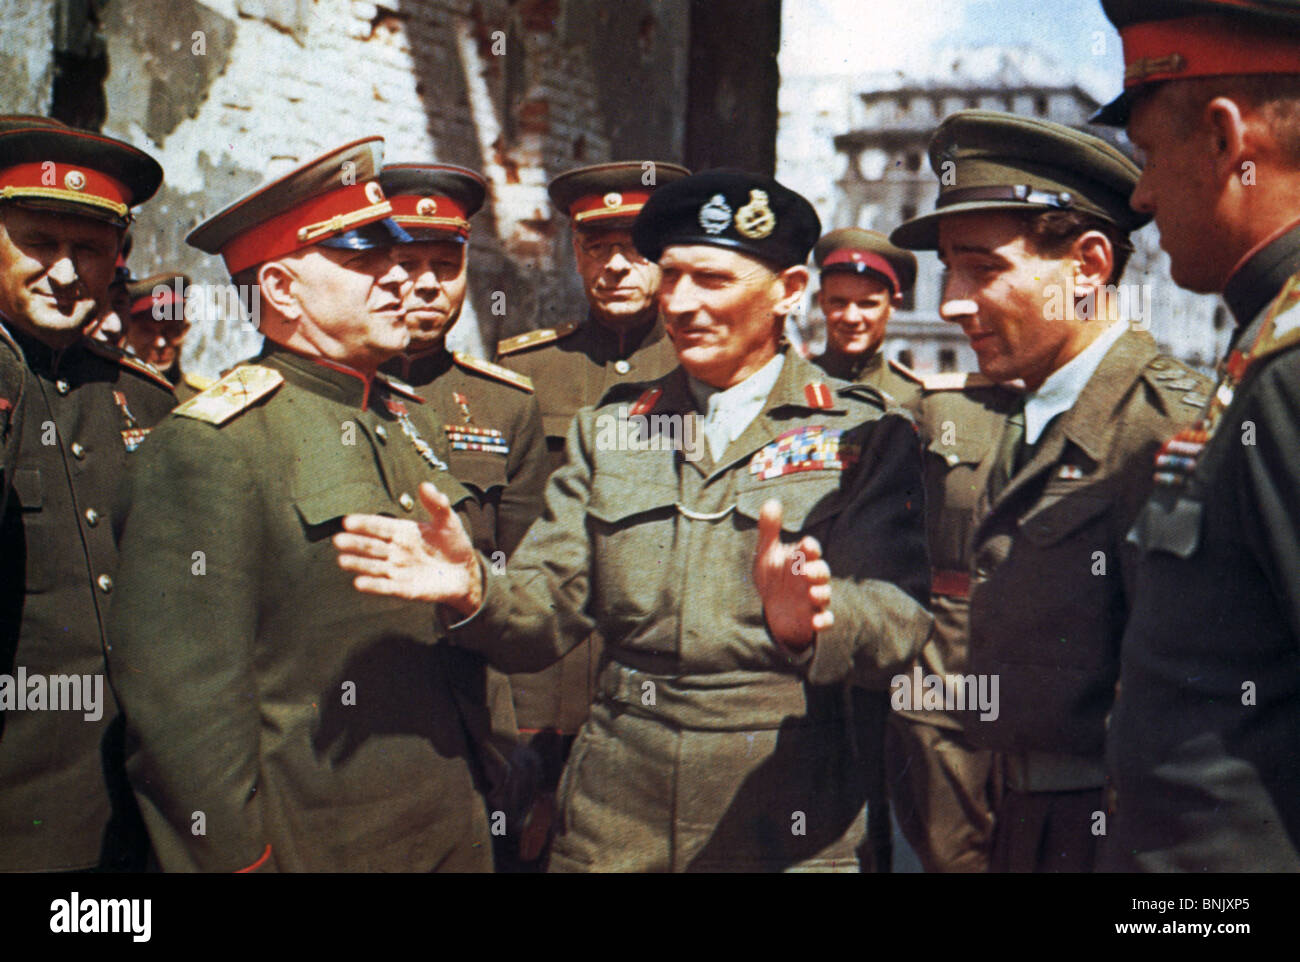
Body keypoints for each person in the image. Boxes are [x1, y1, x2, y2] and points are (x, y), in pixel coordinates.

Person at [335, 169, 932, 872]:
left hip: (781, 802)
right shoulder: (613, 428)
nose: (678, 303)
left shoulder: (864, 433)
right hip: (615, 813)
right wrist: (474, 590)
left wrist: (816, 623)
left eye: (710, 280)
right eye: (671, 276)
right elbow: (544, 609)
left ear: (789, 292)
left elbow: (900, 620)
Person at [106, 138, 499, 872]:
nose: (400, 279)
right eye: (364, 261)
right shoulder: (214, 447)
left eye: (399, 255)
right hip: (325, 845)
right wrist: (239, 862)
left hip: (449, 828)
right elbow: (183, 718)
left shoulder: (397, 415)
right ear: (281, 291)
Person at [890, 110, 1210, 872]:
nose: (951, 304)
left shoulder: (1168, 426)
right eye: (946, 270)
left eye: (983, 268)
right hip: (1013, 825)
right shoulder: (1023, 414)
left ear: (1089, 265)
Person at [1093, 0, 1300, 871]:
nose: (1138, 195)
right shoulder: (1263, 338)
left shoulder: (1291, 367)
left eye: (1146, 157)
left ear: (1225, 142)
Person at [492, 160, 690, 862]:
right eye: (595, 247)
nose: (614, 266)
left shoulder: (703, 372)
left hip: (656, 670)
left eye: (633, 247)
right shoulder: (526, 370)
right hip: (541, 673)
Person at [0, 122, 173, 872]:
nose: (66, 274)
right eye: (39, 243)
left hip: (136, 803)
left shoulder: (147, 398)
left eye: (90, 250)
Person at [377, 161, 549, 863]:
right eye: (405, 261)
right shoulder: (327, 394)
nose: (425, 282)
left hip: (470, 723)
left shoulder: (507, 405)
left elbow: (532, 586)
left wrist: (524, 740)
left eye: (444, 265)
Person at [811, 227, 921, 407]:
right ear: (822, 302)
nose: (851, 318)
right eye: (839, 303)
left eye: (867, 304)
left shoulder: (913, 398)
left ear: (893, 305)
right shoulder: (791, 383)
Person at [122, 272, 213, 400]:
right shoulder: (117, 400)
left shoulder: (207, 397)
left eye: (171, 330)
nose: (160, 343)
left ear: (185, 330)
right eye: (147, 331)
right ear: (128, 334)